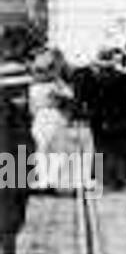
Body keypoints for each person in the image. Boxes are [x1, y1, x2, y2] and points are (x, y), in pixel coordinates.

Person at [0, 56, 34, 254]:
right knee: (9, 217)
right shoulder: (5, 110)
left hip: (19, 165)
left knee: (14, 215)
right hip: (10, 167)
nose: (25, 91)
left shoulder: (14, 107)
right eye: (21, 88)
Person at [85, 49, 126, 192]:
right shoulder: (123, 77)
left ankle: (102, 176)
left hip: (97, 117)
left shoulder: (91, 79)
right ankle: (118, 177)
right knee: (118, 147)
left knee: (100, 146)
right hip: (120, 116)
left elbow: (86, 98)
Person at [27, 49, 74, 192]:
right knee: (55, 151)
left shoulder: (32, 87)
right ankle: (51, 181)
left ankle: (41, 182)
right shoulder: (55, 86)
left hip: (39, 118)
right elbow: (70, 95)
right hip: (54, 116)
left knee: (41, 150)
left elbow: (31, 106)